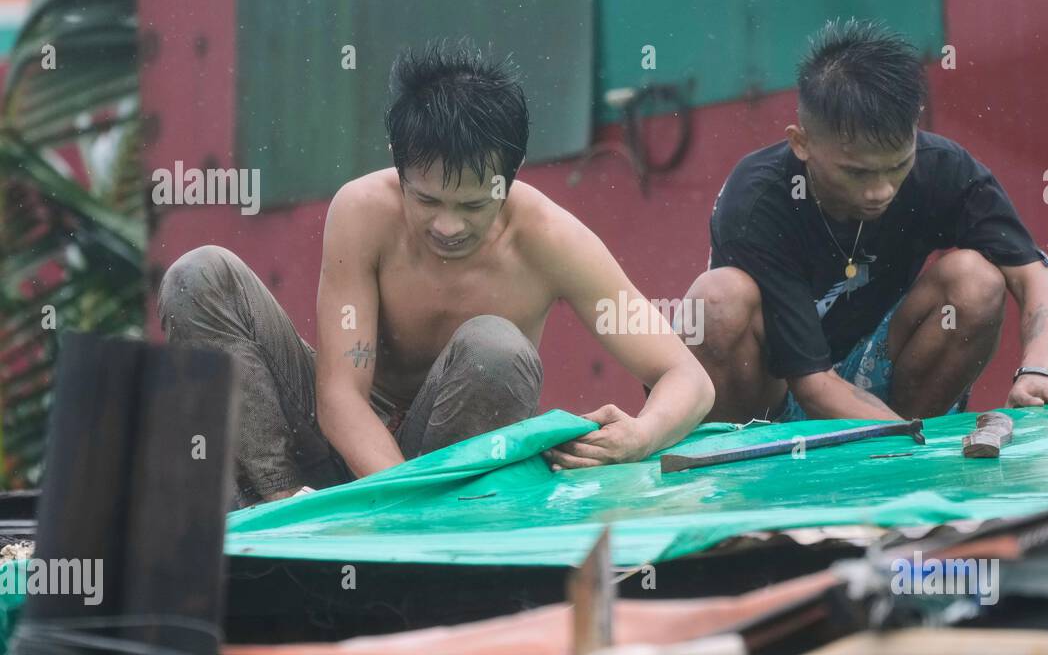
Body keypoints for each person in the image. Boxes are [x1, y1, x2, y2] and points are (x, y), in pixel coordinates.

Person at [159, 41, 713, 507]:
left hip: (449, 480)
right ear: (397, 167)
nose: (448, 226)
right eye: (426, 200)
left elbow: (688, 378)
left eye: (473, 206)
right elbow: (340, 397)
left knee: (496, 346)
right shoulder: (361, 211)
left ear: (511, 174)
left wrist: (641, 435)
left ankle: (434, 521)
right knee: (199, 275)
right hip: (333, 452)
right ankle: (275, 507)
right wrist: (385, 492)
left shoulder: (553, 240)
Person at [686, 19, 1048, 423]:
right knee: (717, 300)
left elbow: (1036, 277)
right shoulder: (757, 200)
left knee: (977, 280)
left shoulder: (942, 168)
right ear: (801, 143)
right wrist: (913, 440)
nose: (880, 191)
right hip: (775, 392)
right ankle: (745, 467)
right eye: (857, 173)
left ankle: (901, 461)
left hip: (871, 380)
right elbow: (813, 386)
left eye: (897, 166)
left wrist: (1037, 370)